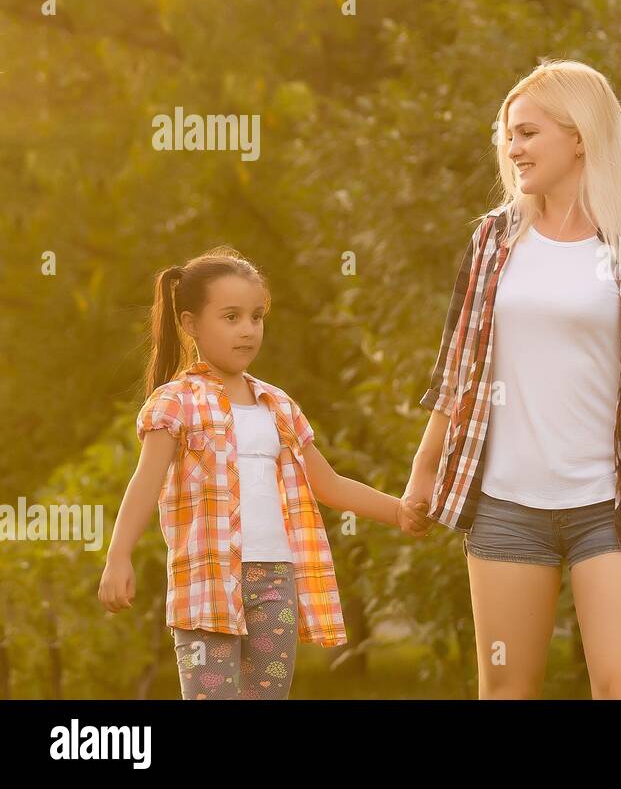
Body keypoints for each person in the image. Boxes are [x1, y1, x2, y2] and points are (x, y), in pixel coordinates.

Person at [404, 59, 621, 699]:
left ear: (580, 137)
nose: (513, 149)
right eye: (508, 135)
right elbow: (458, 363)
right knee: (507, 690)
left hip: (611, 503)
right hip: (507, 504)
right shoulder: (494, 239)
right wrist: (426, 465)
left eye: (528, 133)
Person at [98, 246, 431, 699]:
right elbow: (145, 484)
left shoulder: (279, 406)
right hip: (206, 584)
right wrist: (119, 556)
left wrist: (399, 512)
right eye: (231, 317)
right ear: (191, 324)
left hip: (276, 582)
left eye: (256, 317)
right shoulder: (176, 402)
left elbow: (328, 484)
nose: (248, 330)